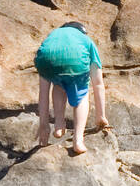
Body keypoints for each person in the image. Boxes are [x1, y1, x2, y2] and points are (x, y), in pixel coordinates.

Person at [34, 21, 110, 154]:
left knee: (58, 85)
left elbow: (43, 94)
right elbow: (98, 84)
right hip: (75, 60)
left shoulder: (53, 37)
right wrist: (101, 115)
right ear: (82, 31)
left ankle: (58, 124)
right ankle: (78, 140)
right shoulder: (86, 40)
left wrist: (44, 125)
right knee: (82, 95)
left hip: (46, 58)